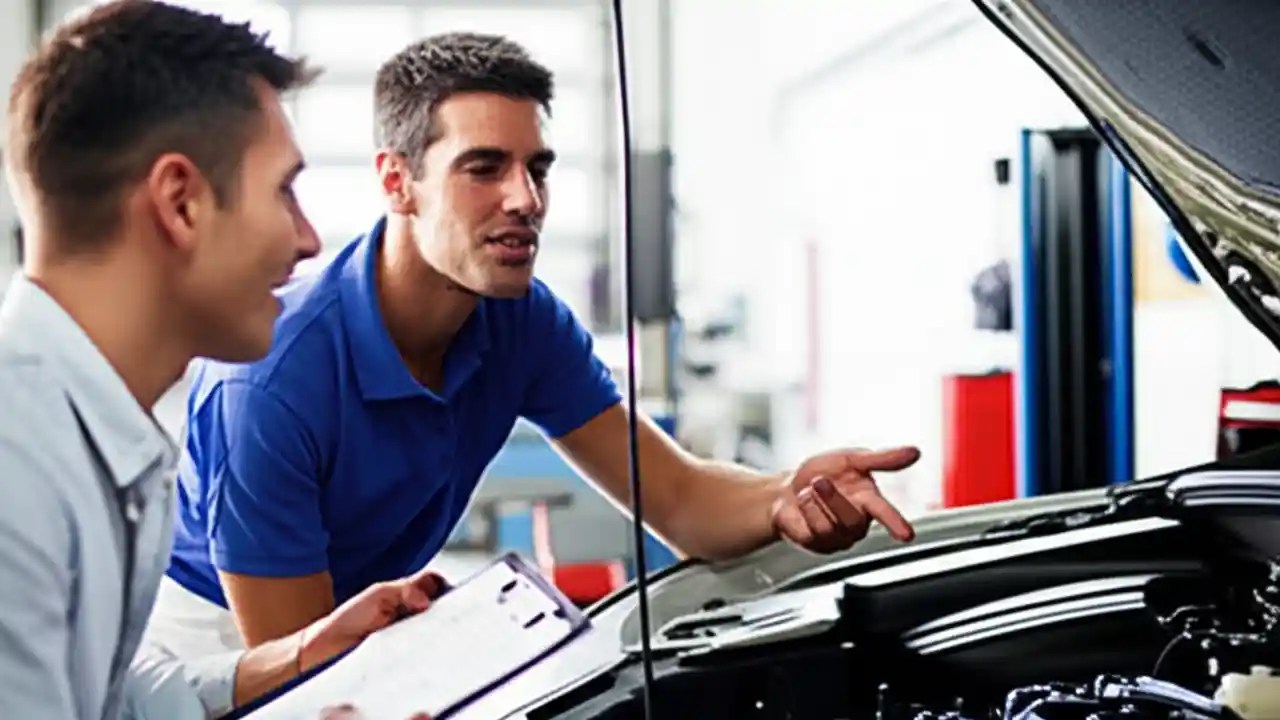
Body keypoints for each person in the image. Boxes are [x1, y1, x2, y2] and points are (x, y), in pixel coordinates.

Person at [150, 30, 923, 662]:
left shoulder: (518, 320)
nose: (526, 199)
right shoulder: (273, 376)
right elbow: (300, 672)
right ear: (396, 182)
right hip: (224, 640)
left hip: (358, 618)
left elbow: (679, 498)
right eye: (484, 168)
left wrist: (786, 496)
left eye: (537, 169)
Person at [0, 2, 441, 718]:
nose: (306, 239)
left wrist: (305, 655)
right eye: (282, 190)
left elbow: (110, 698)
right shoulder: (15, 469)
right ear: (181, 204)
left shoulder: (83, 430)